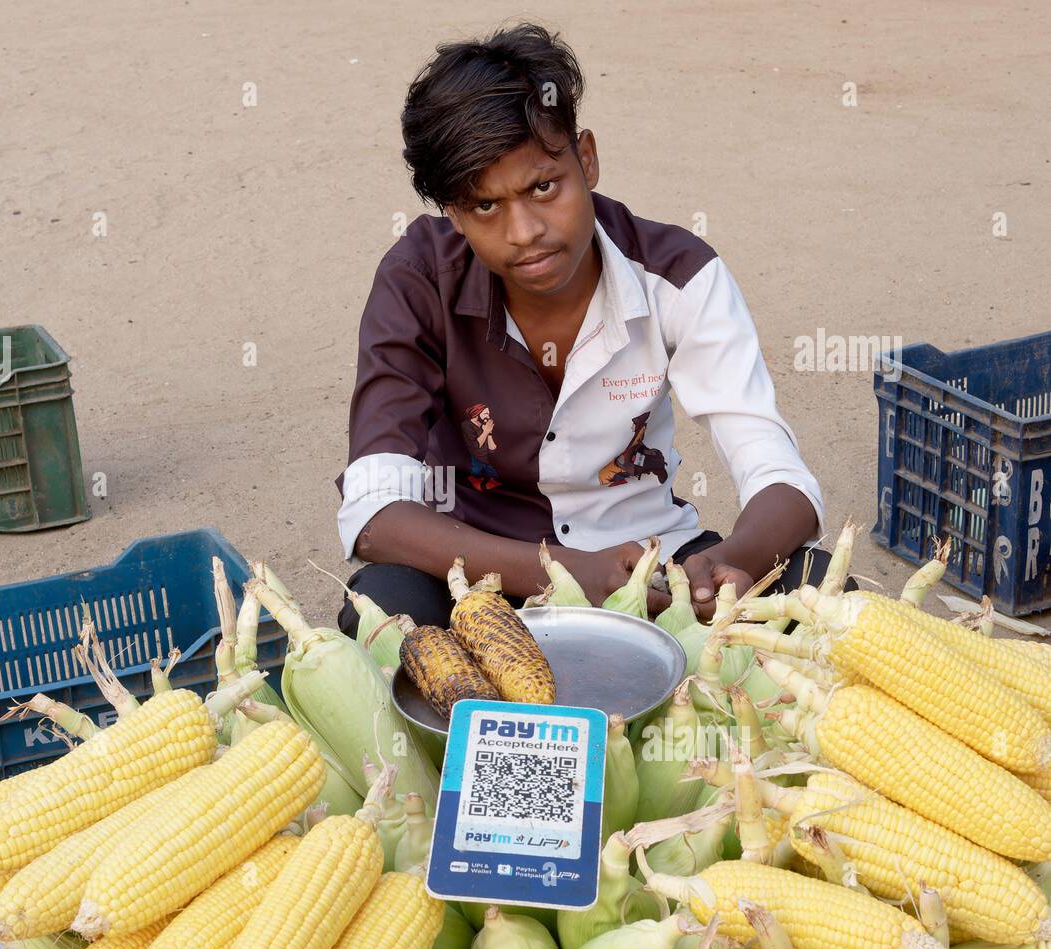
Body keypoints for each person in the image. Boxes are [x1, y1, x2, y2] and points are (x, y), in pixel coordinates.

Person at [336, 22, 836, 634]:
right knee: (386, 610)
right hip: (474, 572)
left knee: (818, 593)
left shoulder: (679, 276)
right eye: (485, 206)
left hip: (648, 566)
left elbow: (781, 477)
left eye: (544, 187)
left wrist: (730, 564)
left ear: (588, 159)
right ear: (453, 215)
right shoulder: (419, 280)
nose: (524, 232)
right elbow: (375, 513)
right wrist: (562, 572)